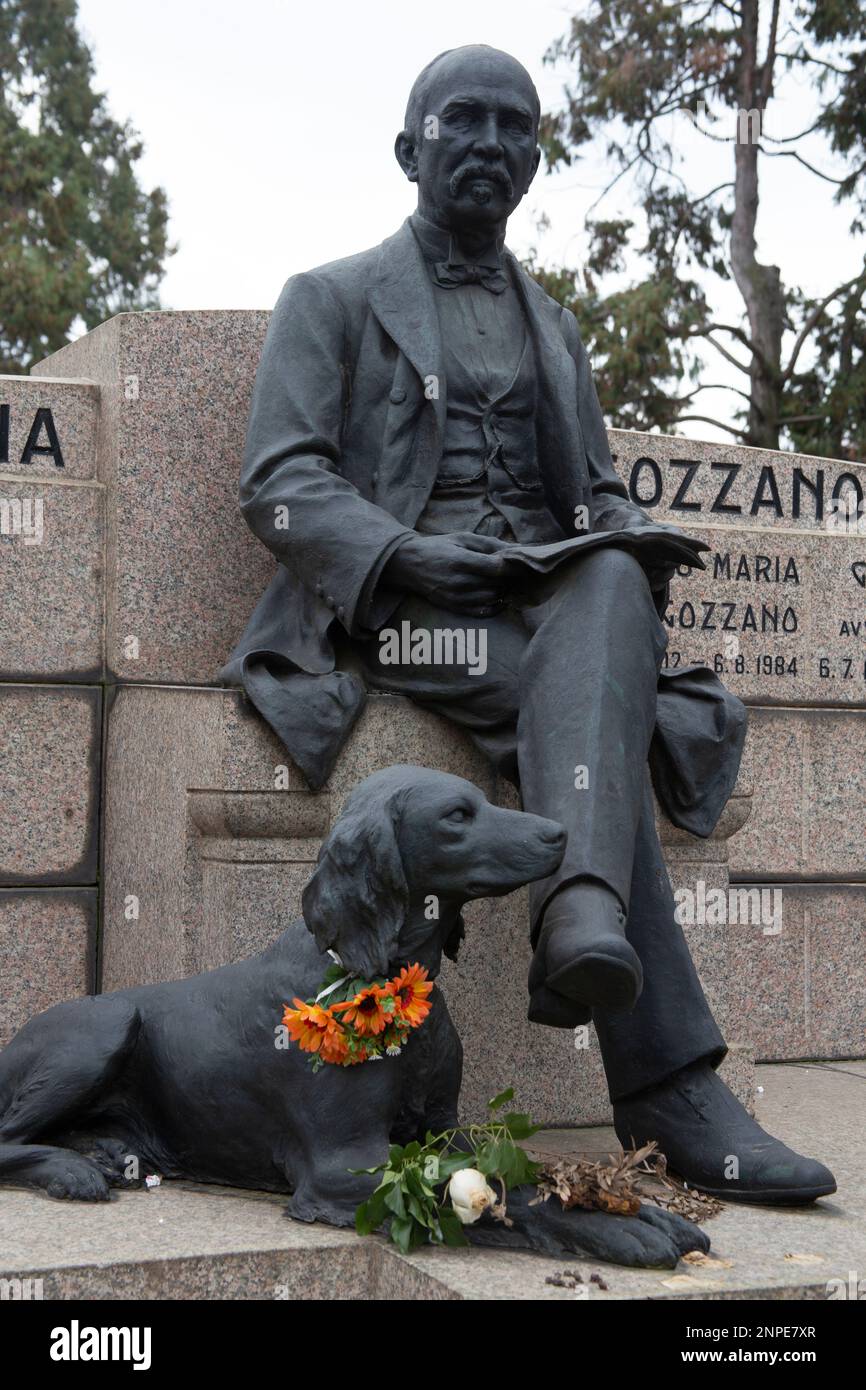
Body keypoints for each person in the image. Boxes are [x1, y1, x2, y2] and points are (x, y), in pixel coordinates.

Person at [221, 45, 835, 1203]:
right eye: (465, 121)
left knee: (608, 580)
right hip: (399, 621)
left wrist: (629, 530)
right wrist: (404, 551)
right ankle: (667, 1081)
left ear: (535, 158)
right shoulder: (331, 297)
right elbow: (280, 481)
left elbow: (592, 492)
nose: (491, 144)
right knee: (595, 702)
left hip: (537, 607)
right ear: (411, 149)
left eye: (516, 127)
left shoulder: (553, 325)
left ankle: (583, 912)